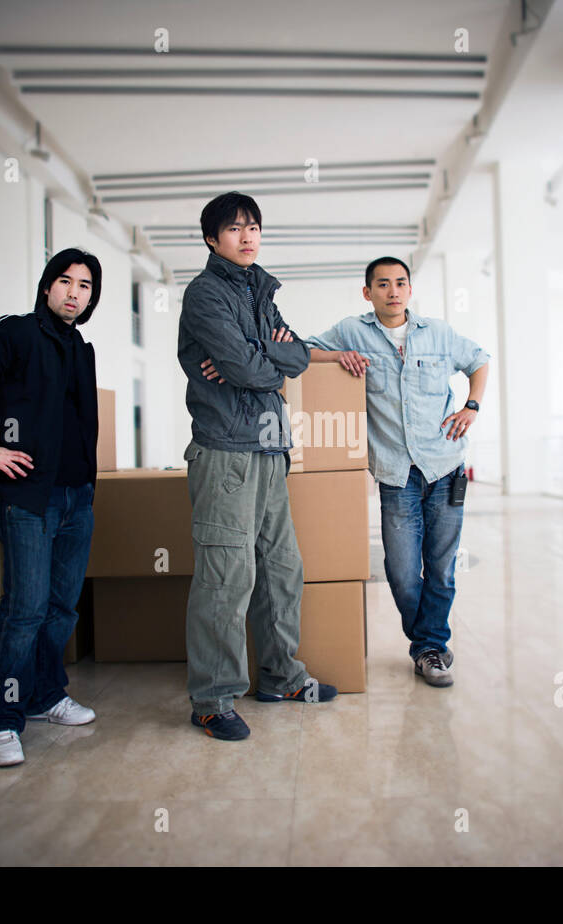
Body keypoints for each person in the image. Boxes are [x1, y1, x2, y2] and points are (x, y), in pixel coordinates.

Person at [177, 191, 338, 741]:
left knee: (281, 568)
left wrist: (261, 357)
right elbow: (251, 368)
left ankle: (280, 677)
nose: (247, 236)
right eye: (234, 229)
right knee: (227, 577)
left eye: (254, 227)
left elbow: (293, 355)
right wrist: (263, 358)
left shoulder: (261, 290)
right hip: (225, 450)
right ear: (211, 239)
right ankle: (213, 699)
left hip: (270, 447)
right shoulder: (204, 294)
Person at [0, 248, 103, 767]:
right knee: (25, 610)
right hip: (29, 499)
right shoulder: (13, 333)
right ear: (46, 286)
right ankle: (0, 720)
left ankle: (43, 695)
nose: (74, 292)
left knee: (60, 610)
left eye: (84, 286)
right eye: (65, 281)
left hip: (76, 497)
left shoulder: (80, 348)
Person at [304, 256, 490, 687]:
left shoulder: (439, 334)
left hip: (445, 467)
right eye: (383, 284)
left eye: (401, 283)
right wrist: (339, 355)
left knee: (441, 567)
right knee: (403, 572)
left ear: (410, 289)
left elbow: (479, 360)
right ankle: (429, 642)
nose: (393, 290)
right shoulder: (353, 331)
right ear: (368, 293)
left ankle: (428, 648)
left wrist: (472, 406)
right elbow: (302, 350)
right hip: (396, 474)